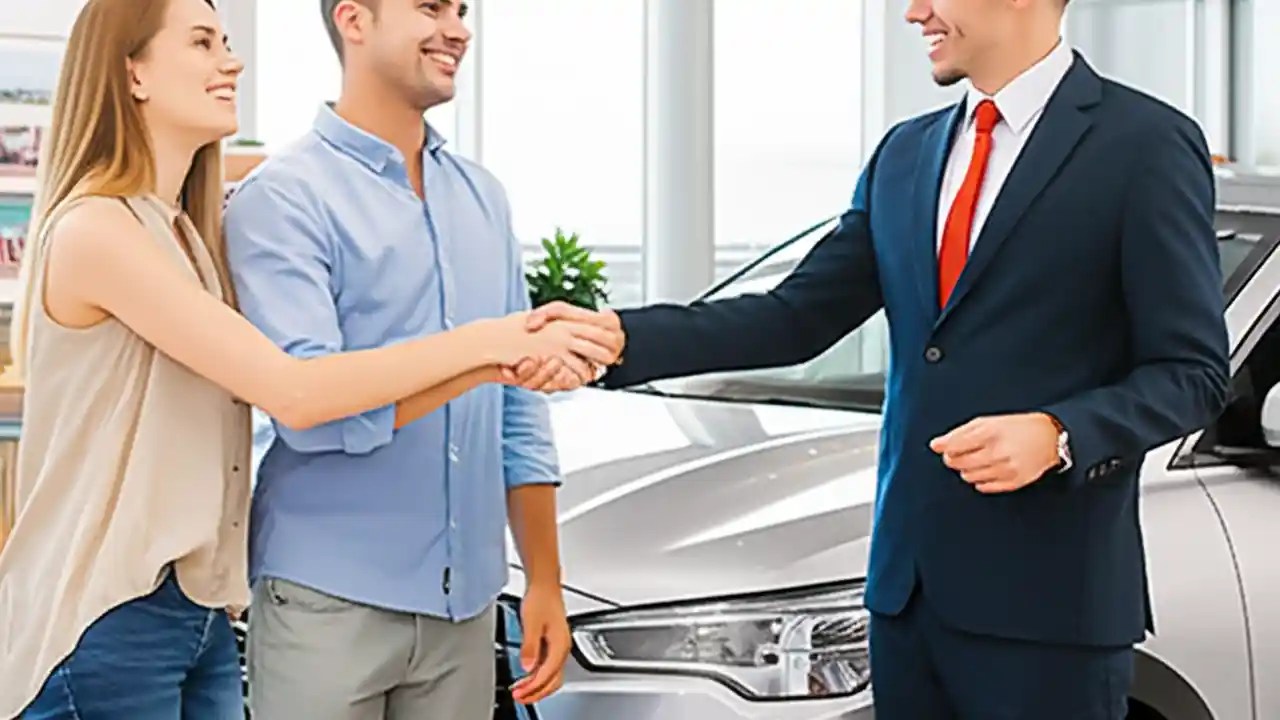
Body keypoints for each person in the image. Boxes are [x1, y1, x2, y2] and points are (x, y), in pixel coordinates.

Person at [528, 0, 1231, 717]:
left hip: (1049, 612)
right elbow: (795, 317)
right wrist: (618, 337)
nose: (912, 12)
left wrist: (1058, 433)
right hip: (904, 603)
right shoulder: (906, 153)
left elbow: (1194, 373)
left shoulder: (1144, 144)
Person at [0, 0, 608, 717]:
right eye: (202, 42)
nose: (232, 61)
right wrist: (491, 345)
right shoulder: (101, 230)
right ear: (131, 73)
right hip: (105, 613)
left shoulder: (190, 236)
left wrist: (542, 568)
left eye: (226, 41)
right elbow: (297, 394)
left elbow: (500, 415)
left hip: (196, 611)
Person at [220, 1, 588, 717]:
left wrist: (544, 578)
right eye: (430, 7)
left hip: (467, 606)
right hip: (328, 603)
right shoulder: (282, 199)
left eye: (460, 10)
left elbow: (517, 408)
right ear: (354, 20)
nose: (458, 28)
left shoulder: (484, 198)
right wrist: (483, 357)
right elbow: (311, 416)